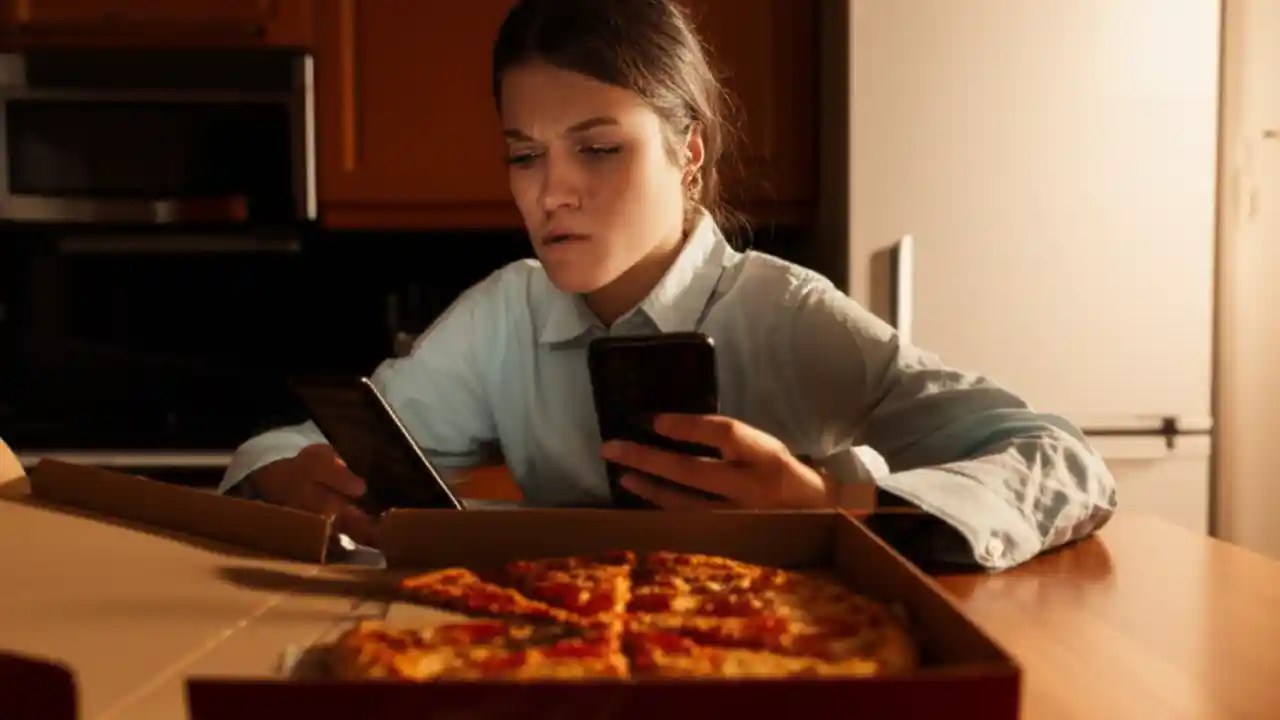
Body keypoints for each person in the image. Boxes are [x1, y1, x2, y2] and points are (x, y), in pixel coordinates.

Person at [218, 0, 1116, 571]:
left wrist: (833, 504)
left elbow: (1064, 461)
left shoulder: (792, 319)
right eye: (524, 156)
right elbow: (293, 448)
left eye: (597, 148)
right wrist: (290, 481)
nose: (551, 192)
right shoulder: (504, 317)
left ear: (688, 153)